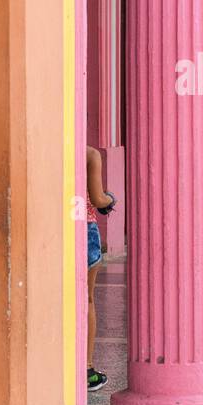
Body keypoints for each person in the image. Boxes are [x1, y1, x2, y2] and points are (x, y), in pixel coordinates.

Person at [84, 146, 117, 391]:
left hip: (51, 226)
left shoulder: (47, 143)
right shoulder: (89, 155)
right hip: (83, 230)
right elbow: (97, 199)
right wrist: (110, 200)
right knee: (86, 301)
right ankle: (86, 370)